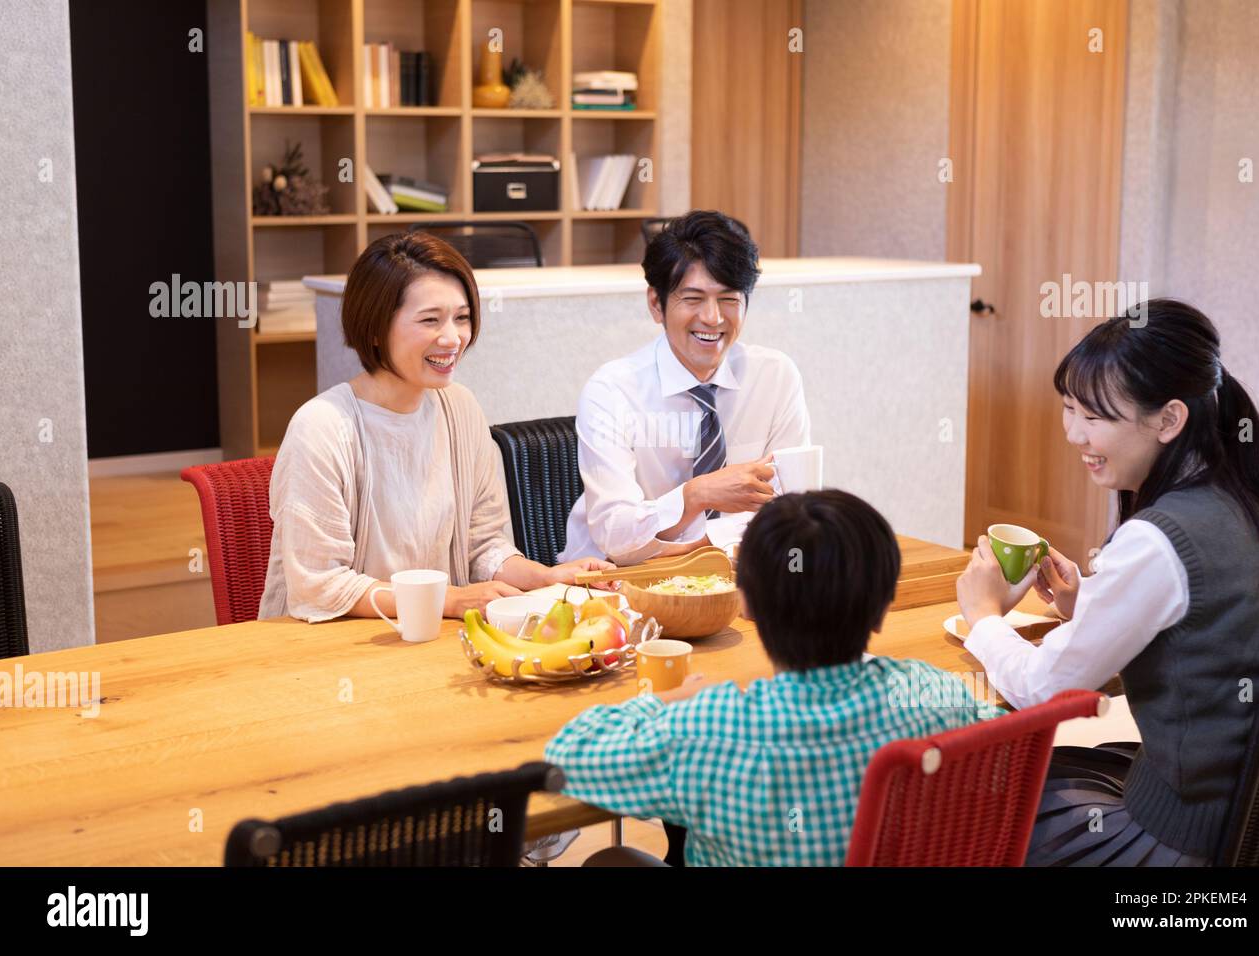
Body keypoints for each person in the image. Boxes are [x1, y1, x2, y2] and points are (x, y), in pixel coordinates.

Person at [955, 298, 1259, 866]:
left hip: (1183, 842)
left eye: (1095, 417)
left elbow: (1043, 689)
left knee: (981, 801)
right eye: (1069, 408)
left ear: (1169, 419)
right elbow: (1220, 625)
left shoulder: (1160, 539)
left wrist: (984, 616)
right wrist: (1086, 602)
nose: (1073, 434)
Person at [545, 489, 1000, 866]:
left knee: (610, 860)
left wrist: (666, 701)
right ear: (883, 608)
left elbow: (567, 755)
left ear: (746, 605)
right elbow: (1007, 736)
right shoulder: (931, 694)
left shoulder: (708, 726)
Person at [258, 232, 611, 623]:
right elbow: (321, 586)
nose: (453, 338)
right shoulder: (323, 427)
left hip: (430, 639)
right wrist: (449, 601)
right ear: (375, 328)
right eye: (430, 320)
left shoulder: (460, 409)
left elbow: (483, 546)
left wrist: (546, 578)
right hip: (330, 648)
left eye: (461, 317)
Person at [559, 210, 811, 566]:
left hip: (732, 576)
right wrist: (698, 495)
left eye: (728, 298)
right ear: (655, 304)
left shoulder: (776, 377)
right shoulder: (612, 390)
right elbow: (615, 535)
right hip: (614, 583)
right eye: (692, 298)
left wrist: (704, 544)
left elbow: (792, 512)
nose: (712, 318)